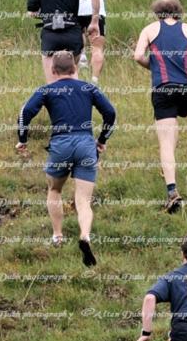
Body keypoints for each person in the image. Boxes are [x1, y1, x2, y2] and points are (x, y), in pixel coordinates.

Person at [16, 49, 115, 267]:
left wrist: (22, 139)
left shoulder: (46, 90)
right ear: (75, 68)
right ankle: (85, 236)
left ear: (53, 70)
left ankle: (58, 235)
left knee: (54, 190)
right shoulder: (89, 88)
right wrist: (102, 139)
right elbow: (111, 113)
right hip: (85, 144)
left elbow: (25, 113)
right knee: (83, 200)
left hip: (60, 145)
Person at [132, 0, 187, 213]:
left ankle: (172, 190)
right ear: (178, 12)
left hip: (163, 88)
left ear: (157, 13)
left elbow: (137, 56)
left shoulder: (150, 29)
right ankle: (168, 166)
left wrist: (152, 67)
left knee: (165, 140)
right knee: (172, 132)